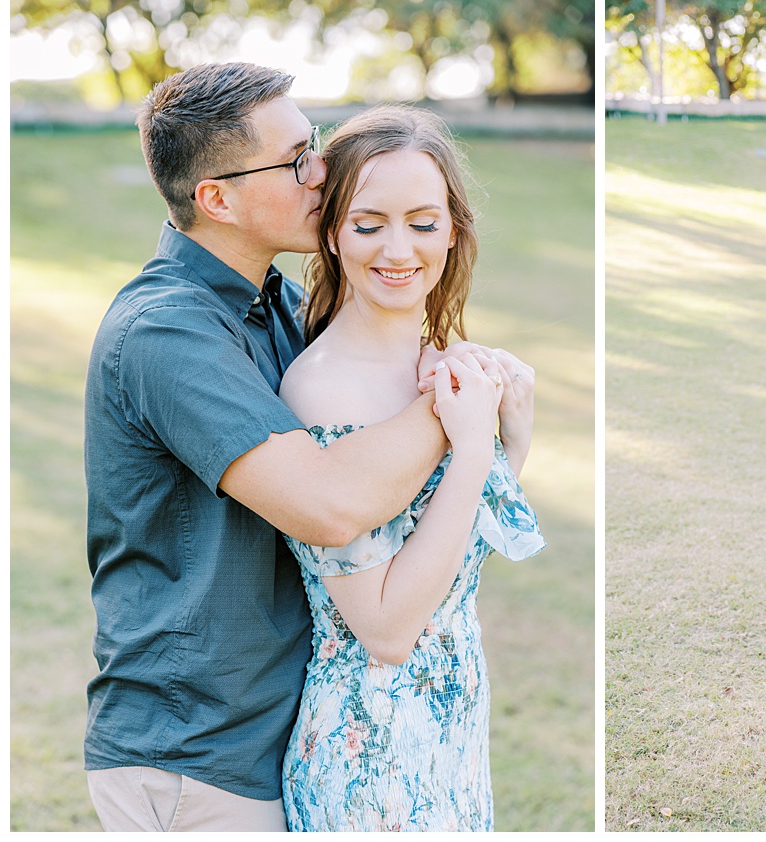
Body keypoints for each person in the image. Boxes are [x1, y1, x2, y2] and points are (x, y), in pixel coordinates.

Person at [83, 63, 515, 830]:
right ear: (215, 197)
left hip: (276, 735)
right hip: (194, 757)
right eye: (293, 161)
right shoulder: (165, 331)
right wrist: (463, 399)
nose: (319, 172)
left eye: (311, 144)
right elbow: (330, 502)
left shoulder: (274, 303)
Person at [277, 105, 545, 831]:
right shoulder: (323, 388)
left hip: (450, 726)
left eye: (423, 222)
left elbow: (456, 552)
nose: (398, 249)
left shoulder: (433, 360)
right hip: (372, 749)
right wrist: (474, 448)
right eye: (369, 224)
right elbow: (388, 628)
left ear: (453, 229)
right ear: (332, 233)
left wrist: (510, 433)